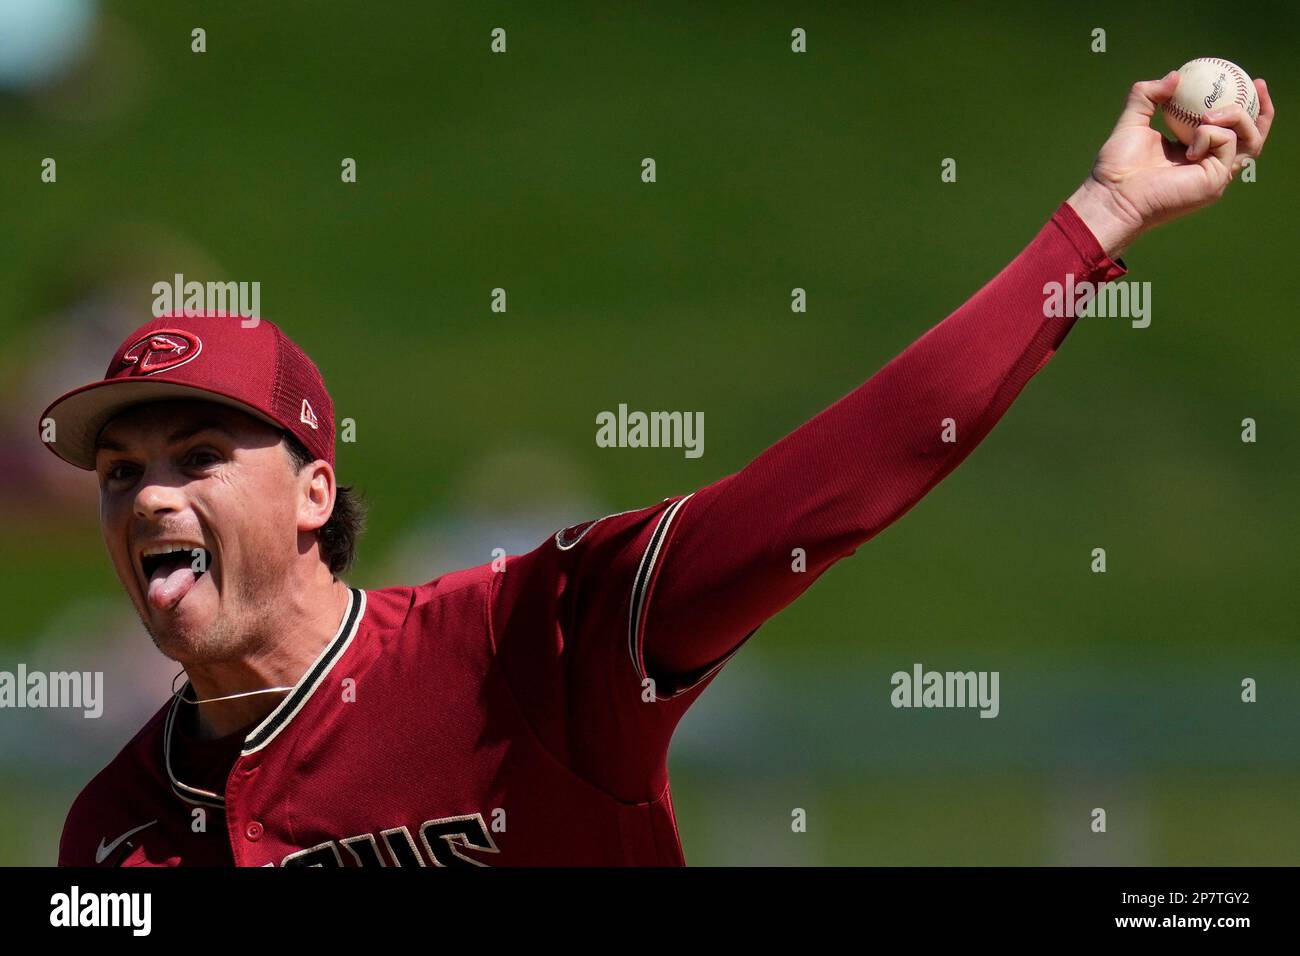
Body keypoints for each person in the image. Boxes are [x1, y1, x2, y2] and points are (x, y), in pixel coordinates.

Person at [45, 73, 1274, 866]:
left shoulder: (530, 644)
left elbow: (845, 477)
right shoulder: (115, 838)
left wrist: (1098, 221)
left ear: (315, 494)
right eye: (121, 468)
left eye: (200, 455)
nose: (150, 493)